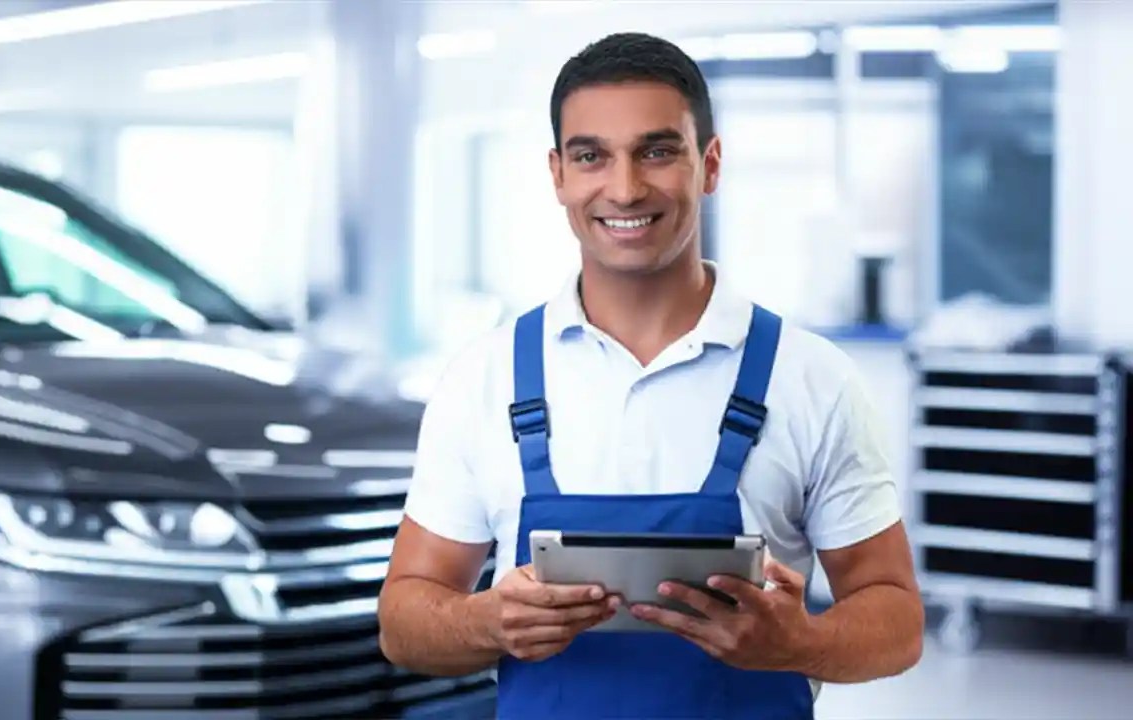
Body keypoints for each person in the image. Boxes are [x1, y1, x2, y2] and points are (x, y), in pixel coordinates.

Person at [377, 31, 923, 720]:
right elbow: (402, 622)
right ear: (558, 175)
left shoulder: (811, 378)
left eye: (658, 151)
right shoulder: (484, 380)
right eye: (591, 156)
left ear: (710, 164)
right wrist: (487, 623)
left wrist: (802, 640)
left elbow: (897, 621)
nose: (625, 187)